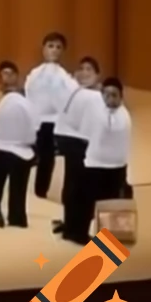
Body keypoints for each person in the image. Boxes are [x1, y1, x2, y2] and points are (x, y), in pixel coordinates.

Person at [64, 76, 132, 245]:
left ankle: (109, 237)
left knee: (110, 203)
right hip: (94, 164)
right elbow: (85, 132)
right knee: (86, 202)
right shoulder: (95, 111)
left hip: (116, 166)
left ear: (121, 96)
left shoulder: (124, 115)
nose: (110, 99)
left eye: (114, 95)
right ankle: (77, 233)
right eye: (106, 95)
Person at [0, 60, 38, 229]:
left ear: (17, 77)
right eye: (3, 75)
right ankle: (13, 216)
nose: (7, 78)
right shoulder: (14, 101)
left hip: (13, 149)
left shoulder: (19, 100)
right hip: (21, 150)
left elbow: (32, 128)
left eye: (10, 74)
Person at [53, 56, 104, 237]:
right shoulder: (74, 91)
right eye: (81, 68)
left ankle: (80, 229)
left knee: (84, 189)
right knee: (70, 186)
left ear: (97, 75)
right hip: (71, 143)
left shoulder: (99, 96)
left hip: (87, 146)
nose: (84, 72)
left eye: (89, 69)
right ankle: (69, 224)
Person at [25, 31, 76, 200]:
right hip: (33, 120)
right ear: (43, 49)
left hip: (52, 122)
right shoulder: (34, 73)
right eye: (50, 46)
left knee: (46, 158)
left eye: (58, 47)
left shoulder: (64, 77)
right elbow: (29, 94)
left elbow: (71, 96)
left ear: (62, 51)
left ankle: (41, 191)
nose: (54, 50)